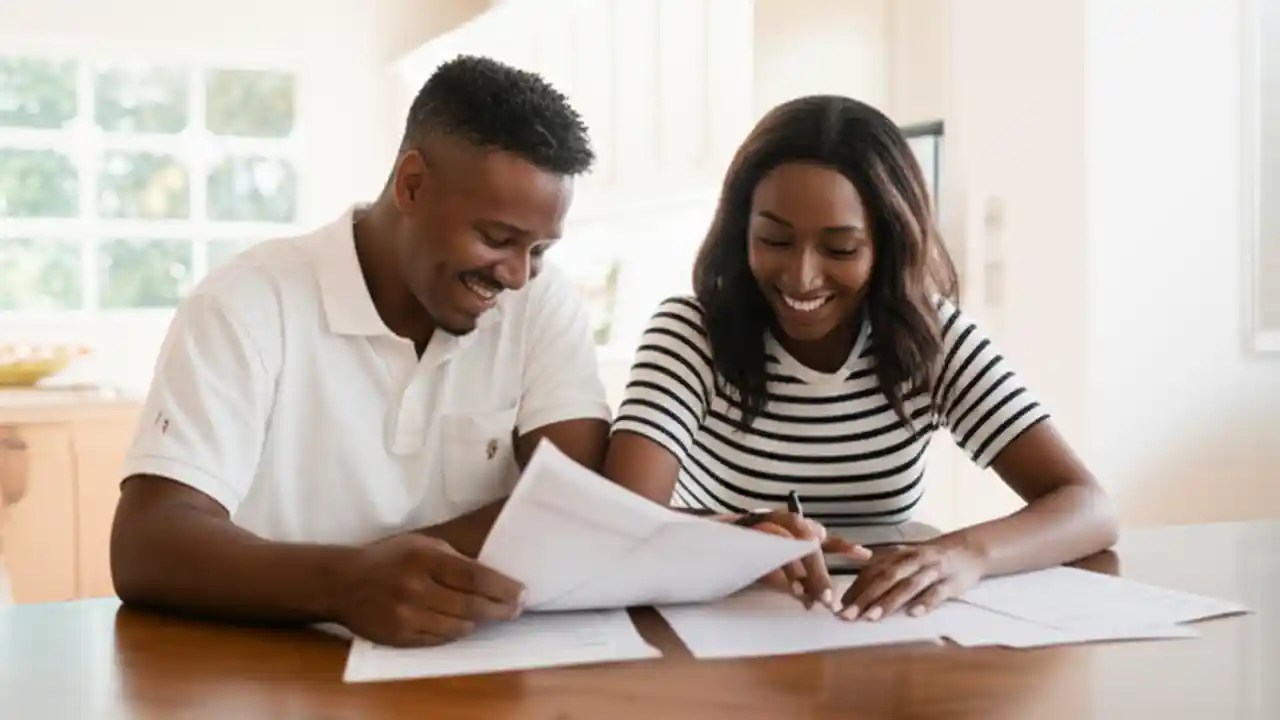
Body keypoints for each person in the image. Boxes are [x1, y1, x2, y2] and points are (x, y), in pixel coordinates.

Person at [110, 55, 612, 647]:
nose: (518, 275)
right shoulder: (247, 302)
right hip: (271, 668)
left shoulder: (538, 304)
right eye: (497, 238)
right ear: (412, 185)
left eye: (540, 250)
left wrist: (382, 576)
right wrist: (346, 584)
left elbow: (580, 505)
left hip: (473, 670)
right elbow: (148, 542)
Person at [603, 95, 1119, 621]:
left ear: (888, 245)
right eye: (774, 240)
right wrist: (742, 534)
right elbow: (615, 525)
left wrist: (965, 553)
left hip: (877, 626)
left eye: (841, 249)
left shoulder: (931, 338)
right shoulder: (692, 334)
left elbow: (1089, 507)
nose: (802, 277)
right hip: (724, 622)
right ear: (741, 233)